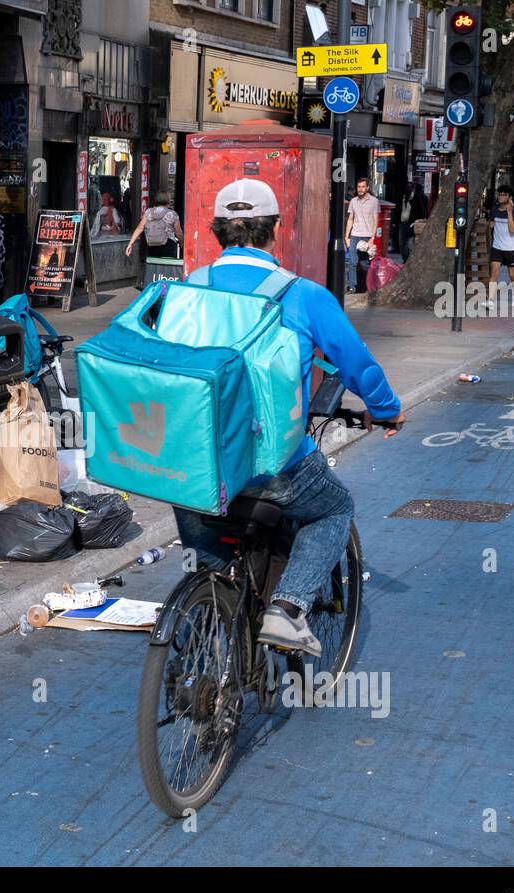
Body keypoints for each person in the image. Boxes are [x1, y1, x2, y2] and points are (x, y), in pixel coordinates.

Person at [176, 179, 405, 655]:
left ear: (218, 229)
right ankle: (287, 608)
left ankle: (204, 625)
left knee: (212, 562)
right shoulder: (303, 295)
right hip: (274, 464)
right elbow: (355, 363)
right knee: (334, 507)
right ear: (275, 229)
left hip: (191, 462)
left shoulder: (186, 289)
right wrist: (386, 410)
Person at [488, 184, 514, 308]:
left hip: (511, 249)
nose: (501, 196)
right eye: (499, 194)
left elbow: (512, 229)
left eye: (504, 194)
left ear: (510, 197)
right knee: (494, 273)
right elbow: (491, 226)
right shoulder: (494, 209)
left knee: (512, 274)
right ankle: (490, 300)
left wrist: (509, 212)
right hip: (497, 247)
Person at [125, 190, 184, 260]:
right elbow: (178, 233)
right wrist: (182, 243)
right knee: (167, 268)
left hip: (152, 244)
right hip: (168, 245)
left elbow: (139, 228)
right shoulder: (172, 214)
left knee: (153, 268)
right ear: (168, 200)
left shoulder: (148, 212)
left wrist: (130, 244)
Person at [344, 178, 379, 293]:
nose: (360, 189)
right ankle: (352, 287)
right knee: (352, 262)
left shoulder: (374, 201)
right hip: (355, 235)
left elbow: (375, 220)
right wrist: (346, 236)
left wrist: (372, 238)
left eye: (363, 187)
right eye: (359, 187)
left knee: (364, 264)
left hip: (367, 236)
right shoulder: (353, 201)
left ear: (367, 188)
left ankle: (368, 286)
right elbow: (350, 219)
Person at [400, 181, 428, 263]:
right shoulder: (403, 197)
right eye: (407, 187)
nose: (408, 189)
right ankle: (405, 259)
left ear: (412, 189)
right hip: (402, 223)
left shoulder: (416, 198)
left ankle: (409, 260)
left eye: (410, 187)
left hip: (411, 223)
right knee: (402, 243)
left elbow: (421, 212)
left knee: (410, 243)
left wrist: (416, 222)